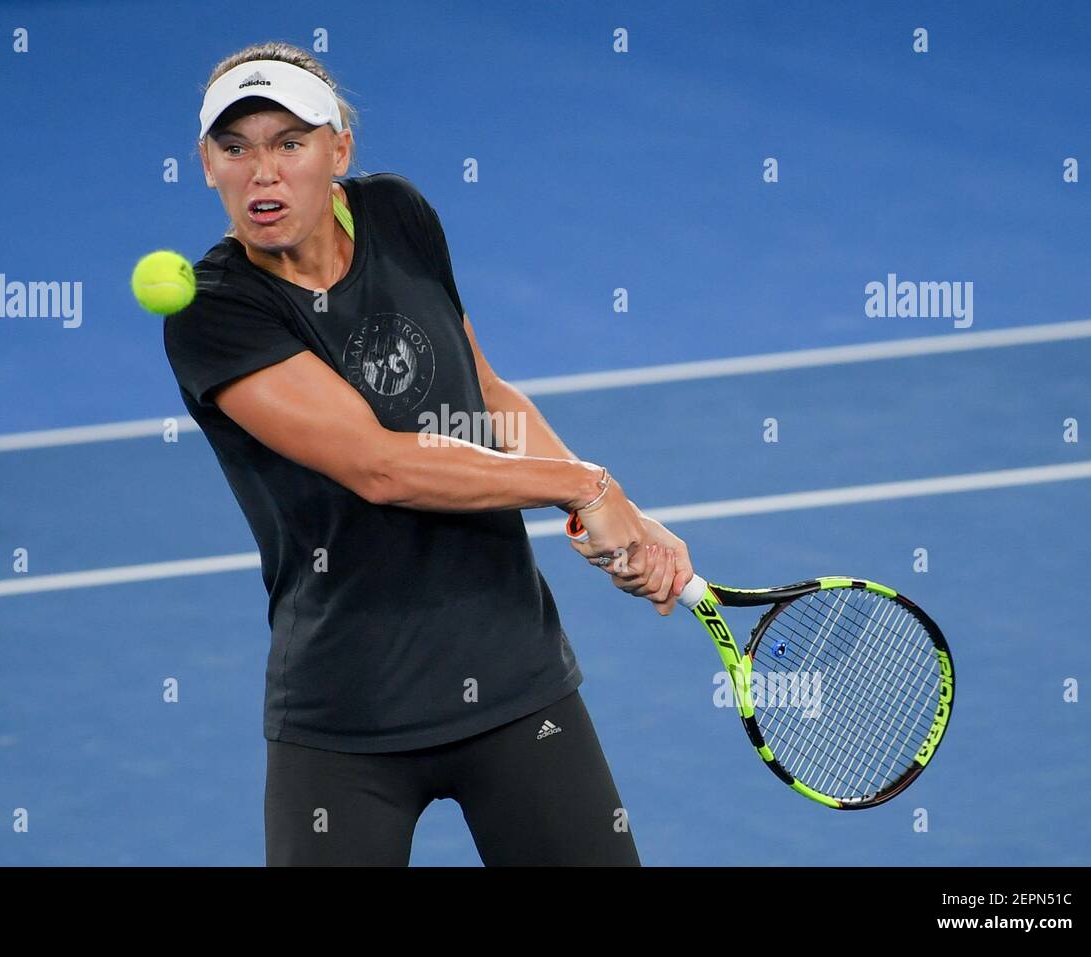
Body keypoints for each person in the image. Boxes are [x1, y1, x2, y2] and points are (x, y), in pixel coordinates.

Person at [163, 42, 694, 866]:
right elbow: (381, 466)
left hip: (514, 681)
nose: (261, 174)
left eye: (288, 144)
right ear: (205, 165)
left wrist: (606, 515)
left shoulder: (398, 216)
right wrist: (586, 485)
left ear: (339, 150)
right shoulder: (212, 314)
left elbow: (482, 396)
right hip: (348, 717)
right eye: (235, 149)